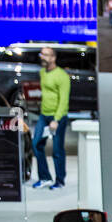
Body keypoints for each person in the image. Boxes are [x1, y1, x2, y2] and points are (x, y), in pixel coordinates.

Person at [31, 46, 71, 190]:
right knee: (36, 144)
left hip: (57, 117)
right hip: (44, 115)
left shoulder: (62, 76)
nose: (43, 57)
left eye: (46, 55)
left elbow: (64, 100)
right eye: (42, 54)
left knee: (57, 150)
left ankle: (59, 181)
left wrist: (56, 119)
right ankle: (45, 178)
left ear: (53, 58)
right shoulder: (42, 72)